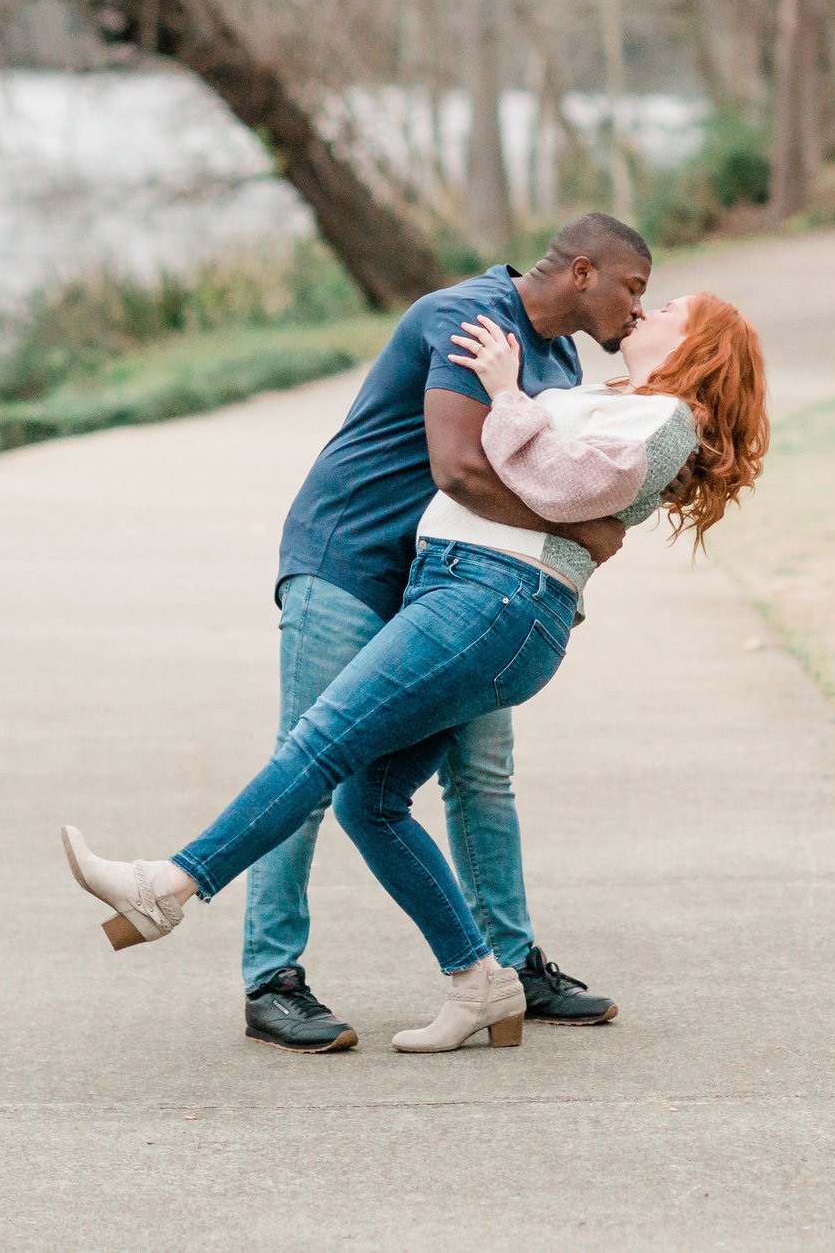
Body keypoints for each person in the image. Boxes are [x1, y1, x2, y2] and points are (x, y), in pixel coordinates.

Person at [61, 285, 768, 1052]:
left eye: (667, 310)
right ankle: (479, 980)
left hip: (494, 597)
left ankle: (165, 888)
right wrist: (518, 416)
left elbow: (557, 484)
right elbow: (537, 476)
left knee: (321, 741)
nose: (647, 311)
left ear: (697, 347)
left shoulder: (666, 421)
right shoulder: (615, 401)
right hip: (467, 590)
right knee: (370, 801)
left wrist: (506, 392)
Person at [248, 215, 651, 1053]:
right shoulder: (466, 318)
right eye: (633, 287)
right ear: (583, 272)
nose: (639, 310)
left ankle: (512, 965)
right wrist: (579, 535)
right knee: (309, 762)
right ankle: (271, 978)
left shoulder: (558, 360)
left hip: (453, 585)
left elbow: (542, 472)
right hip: (351, 558)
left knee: (482, 773)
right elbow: (461, 469)